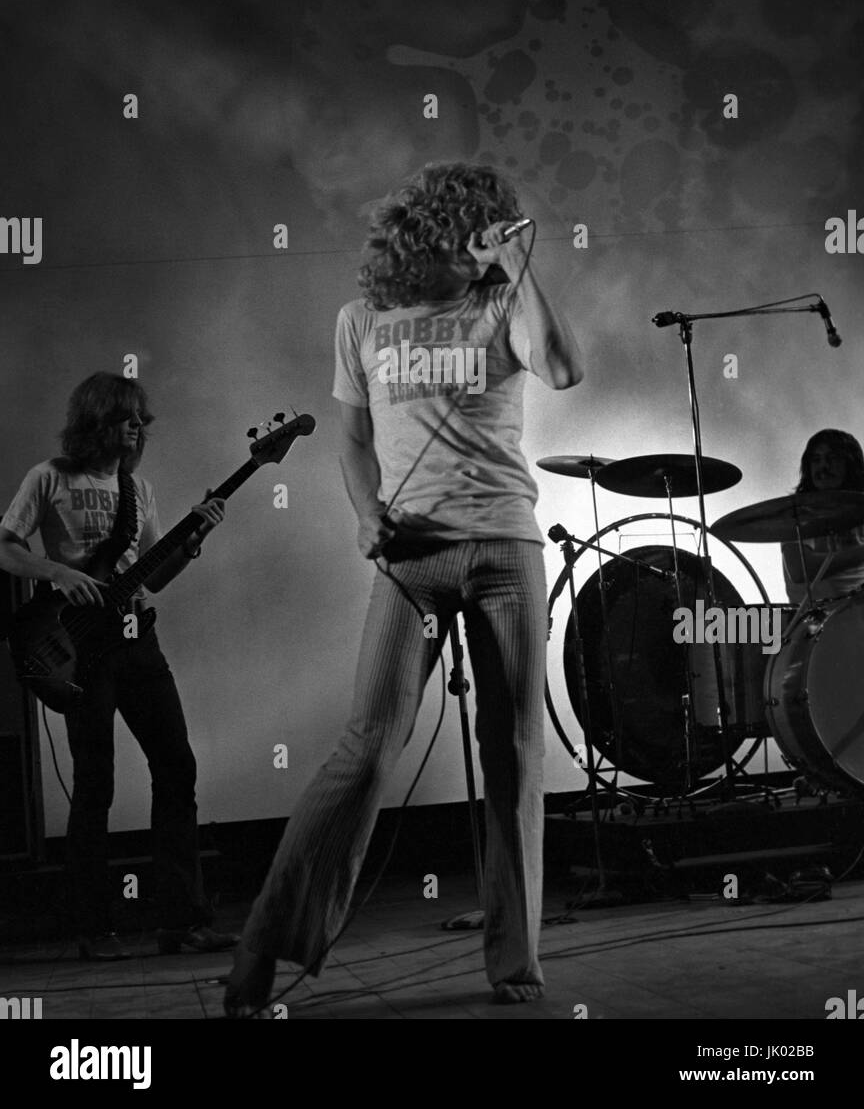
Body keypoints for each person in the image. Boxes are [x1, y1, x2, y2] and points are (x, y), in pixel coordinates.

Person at [226, 159, 583, 1015]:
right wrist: (363, 515)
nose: (485, 243)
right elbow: (350, 442)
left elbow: (565, 369)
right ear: (429, 233)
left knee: (515, 756)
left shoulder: (501, 303)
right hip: (411, 561)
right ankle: (265, 951)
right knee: (366, 748)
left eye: (495, 232)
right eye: (473, 231)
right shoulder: (363, 321)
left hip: (504, 550)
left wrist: (521, 265)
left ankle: (515, 961)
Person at [0, 371, 237, 960]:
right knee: (94, 785)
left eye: (141, 421)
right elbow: (4, 545)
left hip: (137, 642)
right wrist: (59, 573)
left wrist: (191, 541)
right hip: (79, 650)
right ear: (99, 420)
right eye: (129, 417)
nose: (139, 428)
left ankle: (182, 921)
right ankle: (91, 927)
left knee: (177, 768)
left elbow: (152, 576)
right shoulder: (49, 477)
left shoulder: (139, 491)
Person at [781, 429, 864, 605]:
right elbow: (799, 570)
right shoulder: (798, 513)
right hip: (816, 622)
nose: (823, 467)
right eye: (816, 460)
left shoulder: (859, 509)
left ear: (851, 465)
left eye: (832, 458)